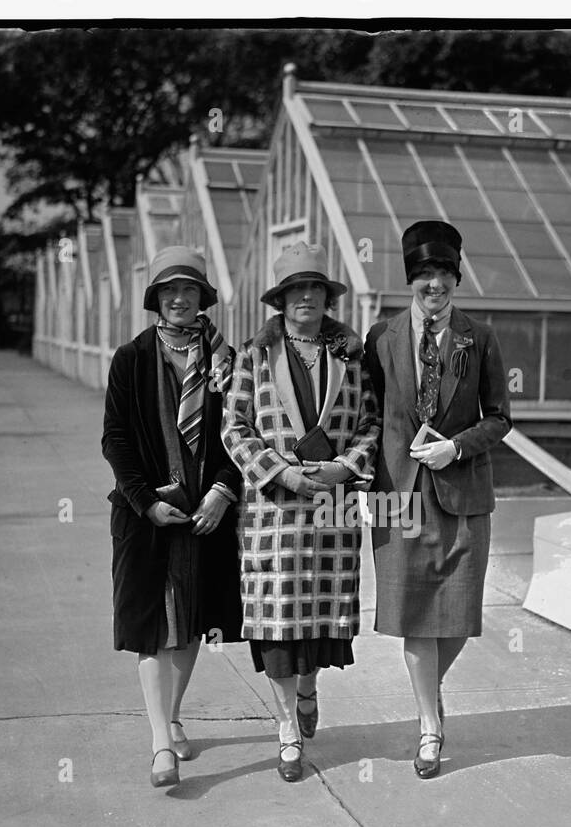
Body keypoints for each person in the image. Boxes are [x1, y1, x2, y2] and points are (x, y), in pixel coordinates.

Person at [223, 242, 380, 782]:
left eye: (314, 288)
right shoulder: (254, 355)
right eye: (295, 290)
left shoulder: (350, 356)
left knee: (318, 618)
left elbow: (371, 424)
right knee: (277, 621)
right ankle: (287, 729)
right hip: (273, 508)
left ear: (325, 297)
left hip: (331, 506)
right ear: (281, 300)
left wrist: (345, 468)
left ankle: (310, 688)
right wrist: (280, 472)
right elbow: (234, 426)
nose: (305, 297)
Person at [363, 220, 512, 779]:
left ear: (457, 279)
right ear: (410, 281)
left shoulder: (480, 338)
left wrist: (457, 447)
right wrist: (360, 485)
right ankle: (430, 728)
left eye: (444, 273)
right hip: (396, 495)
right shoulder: (380, 338)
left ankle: (431, 690)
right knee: (414, 618)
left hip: (464, 492)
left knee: (458, 615)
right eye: (424, 274)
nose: (434, 284)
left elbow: (500, 417)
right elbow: (365, 417)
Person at [101, 246, 243, 789]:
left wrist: (223, 491)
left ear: (202, 297)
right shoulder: (131, 359)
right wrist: (143, 500)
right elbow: (115, 439)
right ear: (155, 300)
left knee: (189, 626)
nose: (178, 299)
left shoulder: (227, 360)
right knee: (152, 629)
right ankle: (161, 743)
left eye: (188, 290)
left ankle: (175, 714)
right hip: (146, 517)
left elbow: (240, 433)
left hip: (206, 515)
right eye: (167, 291)